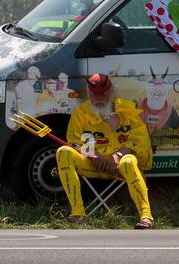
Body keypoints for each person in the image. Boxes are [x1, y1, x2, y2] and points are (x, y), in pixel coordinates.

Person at [56, 73, 154, 228]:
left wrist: (117, 156)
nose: (100, 99)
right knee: (63, 151)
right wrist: (95, 156)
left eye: (104, 95)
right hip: (93, 164)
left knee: (128, 162)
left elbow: (139, 140)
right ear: (89, 93)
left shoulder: (129, 109)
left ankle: (146, 217)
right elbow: (75, 141)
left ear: (112, 92)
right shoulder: (80, 114)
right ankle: (78, 213)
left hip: (121, 165)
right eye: (95, 95)